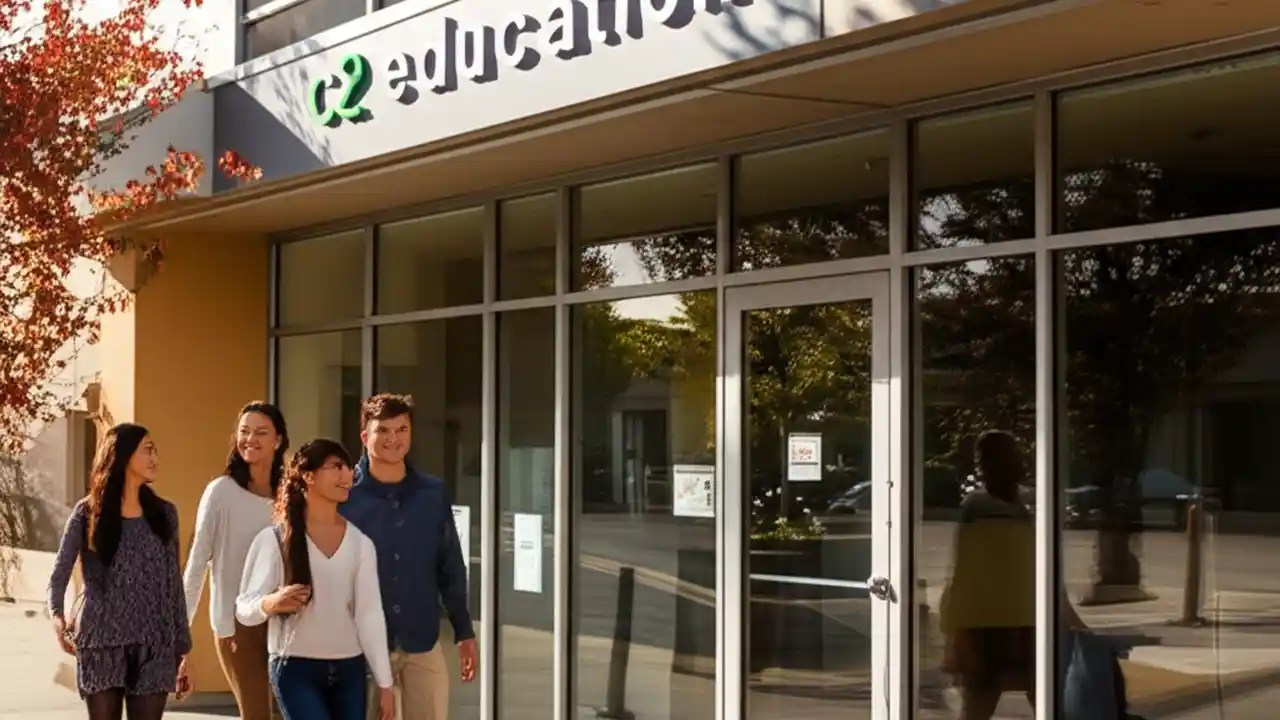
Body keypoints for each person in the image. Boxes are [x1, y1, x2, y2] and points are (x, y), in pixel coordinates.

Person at [236, 438, 395, 720]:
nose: (346, 476)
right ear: (308, 476)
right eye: (336, 467)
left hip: (350, 670)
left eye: (348, 468)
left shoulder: (360, 544)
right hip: (295, 669)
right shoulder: (274, 540)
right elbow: (244, 609)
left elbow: (369, 616)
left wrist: (385, 684)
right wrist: (270, 603)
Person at [340, 393, 476, 720]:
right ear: (364, 437)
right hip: (359, 647)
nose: (393, 439)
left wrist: (464, 631)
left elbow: (449, 565)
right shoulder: (343, 496)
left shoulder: (432, 493)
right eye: (383, 431)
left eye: (402, 429)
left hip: (422, 640)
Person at [47, 423, 193, 720]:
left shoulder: (165, 514)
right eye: (148, 450)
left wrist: (183, 650)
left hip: (154, 644)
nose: (156, 459)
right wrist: (57, 618)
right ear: (124, 456)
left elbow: (172, 585)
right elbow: (59, 574)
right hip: (102, 642)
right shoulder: (87, 513)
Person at [182, 402, 289, 720]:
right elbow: (197, 564)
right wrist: (179, 633)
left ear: (278, 441)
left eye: (261, 432)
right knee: (257, 714)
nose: (250, 439)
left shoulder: (290, 494)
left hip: (284, 621)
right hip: (236, 627)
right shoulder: (221, 492)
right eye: (244, 431)